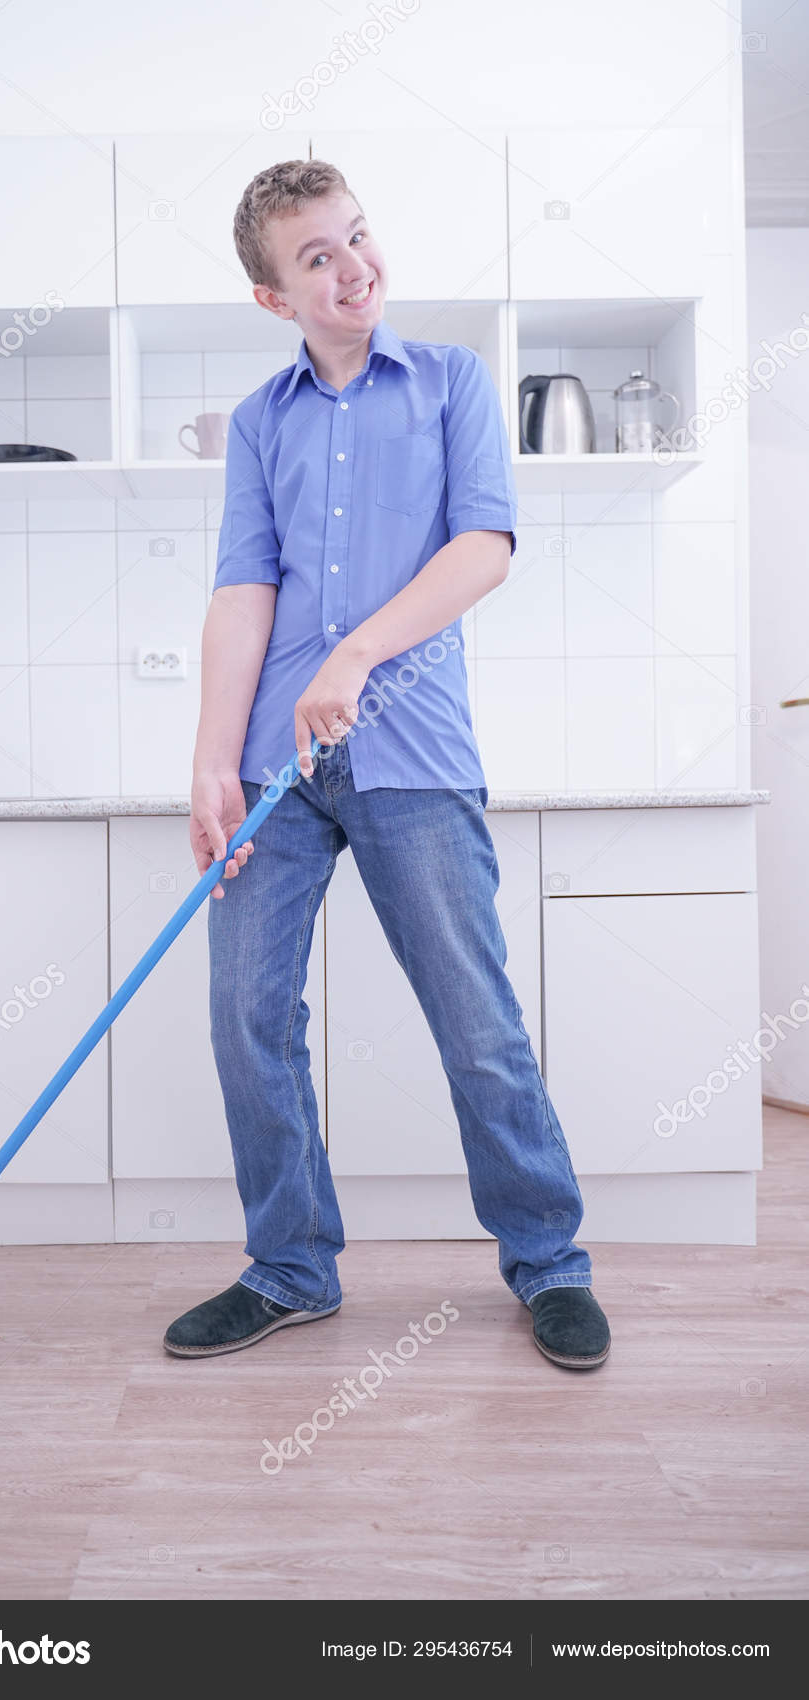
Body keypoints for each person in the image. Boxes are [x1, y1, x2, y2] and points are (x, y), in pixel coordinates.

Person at [165, 159, 610, 1371]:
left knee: (474, 1021)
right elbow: (242, 591)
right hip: (276, 768)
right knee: (245, 1014)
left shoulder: (453, 382)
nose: (351, 265)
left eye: (355, 236)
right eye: (316, 255)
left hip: (412, 753)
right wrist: (211, 760)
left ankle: (547, 1262)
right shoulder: (261, 423)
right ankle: (290, 1268)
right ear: (275, 297)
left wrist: (355, 653)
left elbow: (485, 546)